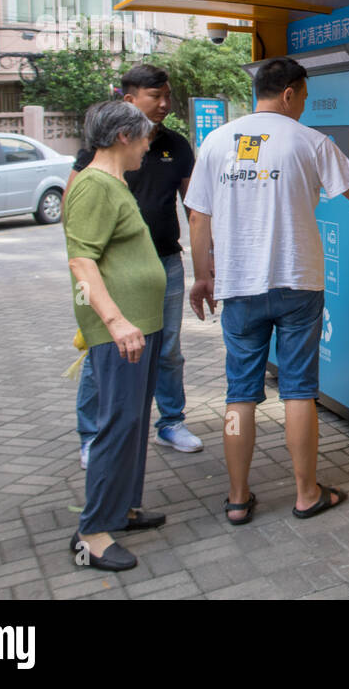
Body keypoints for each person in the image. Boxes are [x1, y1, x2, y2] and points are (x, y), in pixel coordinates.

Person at [185, 57, 349, 526]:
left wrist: (203, 275)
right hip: (298, 283)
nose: (304, 107)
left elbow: (198, 216)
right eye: (305, 98)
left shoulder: (217, 141)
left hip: (238, 286)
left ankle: (237, 498)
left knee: (240, 395)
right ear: (291, 93)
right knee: (298, 391)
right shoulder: (310, 141)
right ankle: (306, 493)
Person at [69, 64, 202, 467]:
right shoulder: (99, 155)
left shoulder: (176, 146)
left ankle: (169, 422)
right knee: (105, 353)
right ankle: (94, 435)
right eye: (154, 96)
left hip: (164, 263)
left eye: (168, 96)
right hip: (112, 273)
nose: (164, 104)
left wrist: (206, 268)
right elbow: (75, 225)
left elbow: (194, 208)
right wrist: (92, 278)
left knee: (167, 350)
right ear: (129, 101)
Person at [64, 101, 168, 572]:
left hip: (142, 324)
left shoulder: (113, 183)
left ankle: (120, 508)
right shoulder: (92, 185)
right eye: (145, 137)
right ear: (124, 137)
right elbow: (80, 261)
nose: (150, 145)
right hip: (122, 329)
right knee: (118, 424)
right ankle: (92, 532)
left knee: (132, 422)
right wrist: (116, 321)